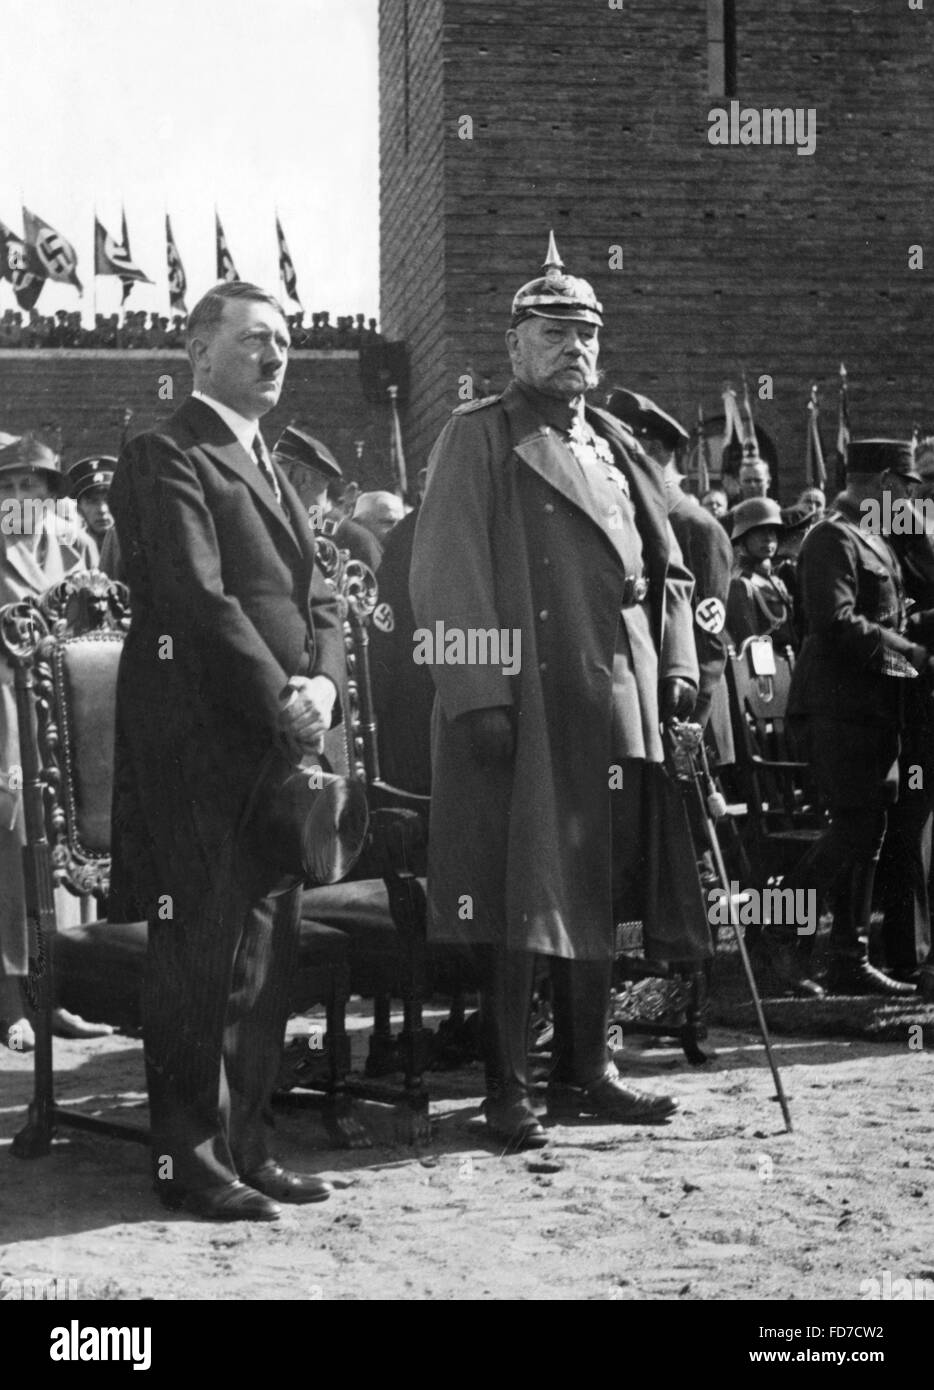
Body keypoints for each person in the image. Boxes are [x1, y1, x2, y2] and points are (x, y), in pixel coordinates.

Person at [410, 234, 706, 1151]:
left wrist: (683, 669)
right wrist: (479, 693)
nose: (572, 346)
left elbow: (672, 573)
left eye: (586, 331)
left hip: (620, 692)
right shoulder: (479, 435)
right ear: (513, 346)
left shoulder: (617, 442)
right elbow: (445, 571)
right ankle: (508, 1085)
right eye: (551, 330)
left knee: (601, 884)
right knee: (519, 894)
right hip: (528, 699)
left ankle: (589, 1068)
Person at [108, 281, 346, 1221]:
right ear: (199, 351)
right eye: (255, 339)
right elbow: (197, 601)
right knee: (200, 956)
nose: (276, 355)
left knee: (266, 958)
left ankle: (251, 1145)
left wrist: (323, 683)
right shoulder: (164, 454)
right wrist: (280, 697)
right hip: (201, 752)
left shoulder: (276, 467)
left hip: (281, 754)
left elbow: (319, 592)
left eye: (285, 340)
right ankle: (190, 1162)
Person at [761, 439, 928, 997]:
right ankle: (777, 931)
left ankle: (847, 957)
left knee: (869, 831)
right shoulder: (832, 536)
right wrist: (912, 651)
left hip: (871, 708)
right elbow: (835, 623)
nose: (910, 497)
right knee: (855, 828)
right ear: (882, 481)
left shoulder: (872, 538)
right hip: (836, 708)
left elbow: (885, 615)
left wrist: (919, 625)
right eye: (906, 487)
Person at [0, 436, 109, 1049]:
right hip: (4, 726)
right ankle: (12, 1001)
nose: (18, 499)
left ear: (49, 497)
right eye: (7, 488)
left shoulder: (77, 549)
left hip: (65, 725)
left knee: (62, 851)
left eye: (30, 487)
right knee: (11, 857)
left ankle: (57, 993)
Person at [272, 426, 382, 571]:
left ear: (304, 479)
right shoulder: (307, 525)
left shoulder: (357, 541)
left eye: (278, 473)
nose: (272, 481)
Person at [726, 497, 797, 653]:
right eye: (759, 532)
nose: (768, 538)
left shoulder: (776, 581)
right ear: (743, 538)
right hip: (769, 670)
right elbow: (749, 644)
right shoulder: (740, 584)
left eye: (772, 531)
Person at [67, 455, 117, 551]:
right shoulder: (72, 551)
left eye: (109, 500)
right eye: (93, 501)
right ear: (79, 509)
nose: (102, 510)